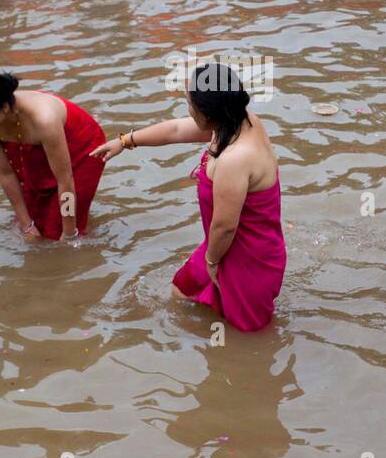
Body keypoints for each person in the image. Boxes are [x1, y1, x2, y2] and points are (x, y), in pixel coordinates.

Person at [91, 63, 287, 332]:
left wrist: (212, 263)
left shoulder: (235, 159)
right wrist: (125, 142)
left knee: (249, 341)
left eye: (189, 102)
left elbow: (225, 226)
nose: (187, 108)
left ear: (207, 114)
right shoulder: (236, 121)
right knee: (182, 291)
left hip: (247, 261)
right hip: (220, 248)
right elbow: (175, 131)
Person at [0, 69, 106, 240]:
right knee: (34, 221)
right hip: (28, 139)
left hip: (81, 146)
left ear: (5, 107)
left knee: (55, 232)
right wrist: (26, 224)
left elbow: (65, 180)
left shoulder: (44, 120)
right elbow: (6, 173)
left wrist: (69, 232)